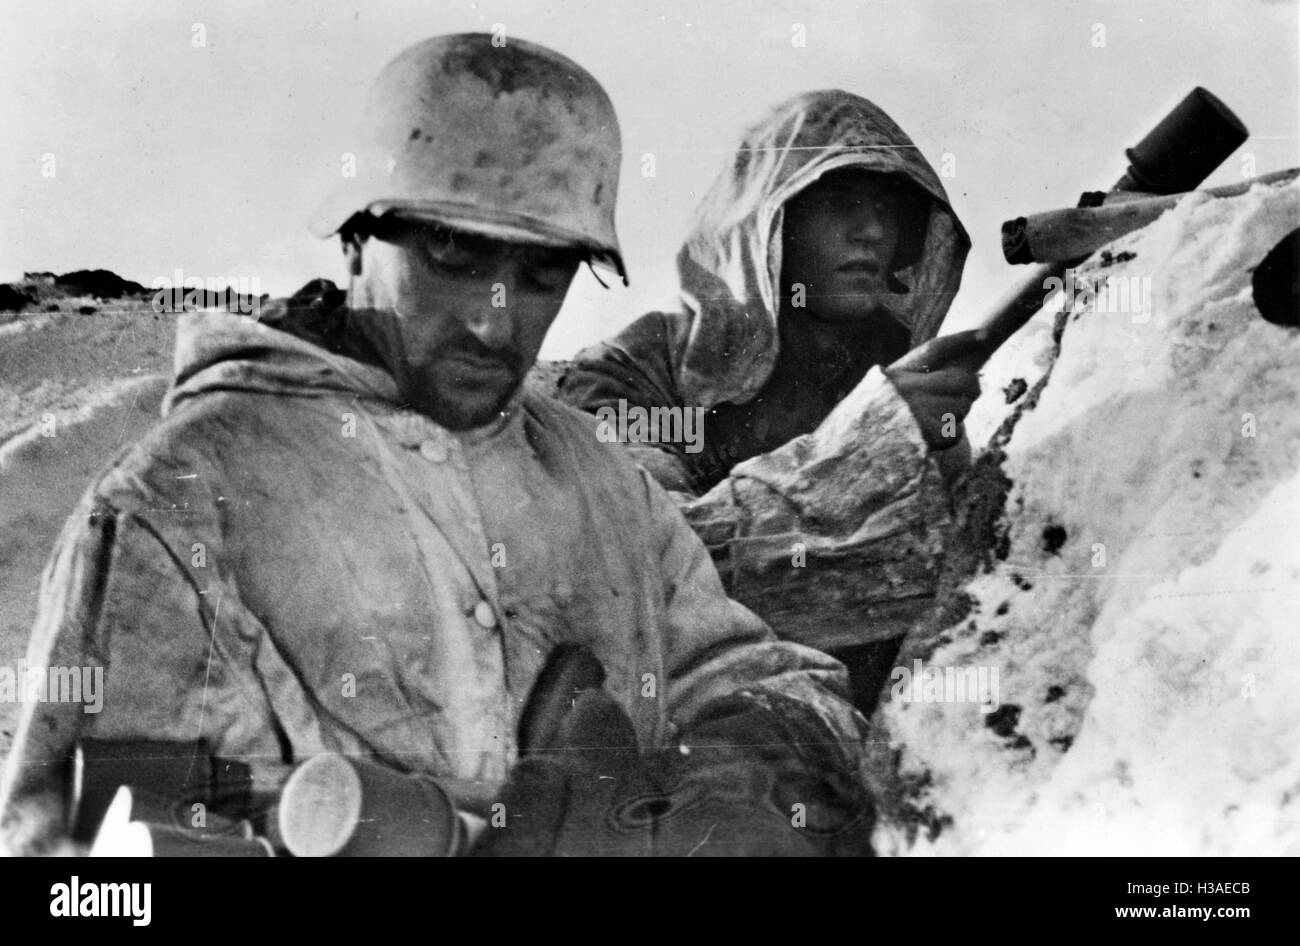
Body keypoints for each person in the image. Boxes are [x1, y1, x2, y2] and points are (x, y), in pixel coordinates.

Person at [0, 34, 874, 857]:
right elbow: (79, 871)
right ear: (355, 239)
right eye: (455, 254)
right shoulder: (178, 502)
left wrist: (729, 785)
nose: (496, 320)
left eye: (542, 274)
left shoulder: (601, 480)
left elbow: (780, 684)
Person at [559, 91, 979, 697]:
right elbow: (648, 563)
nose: (872, 230)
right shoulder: (639, 368)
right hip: (692, 706)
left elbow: (965, 571)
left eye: (890, 208)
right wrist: (876, 444)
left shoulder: (901, 376)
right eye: (840, 202)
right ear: (769, 218)